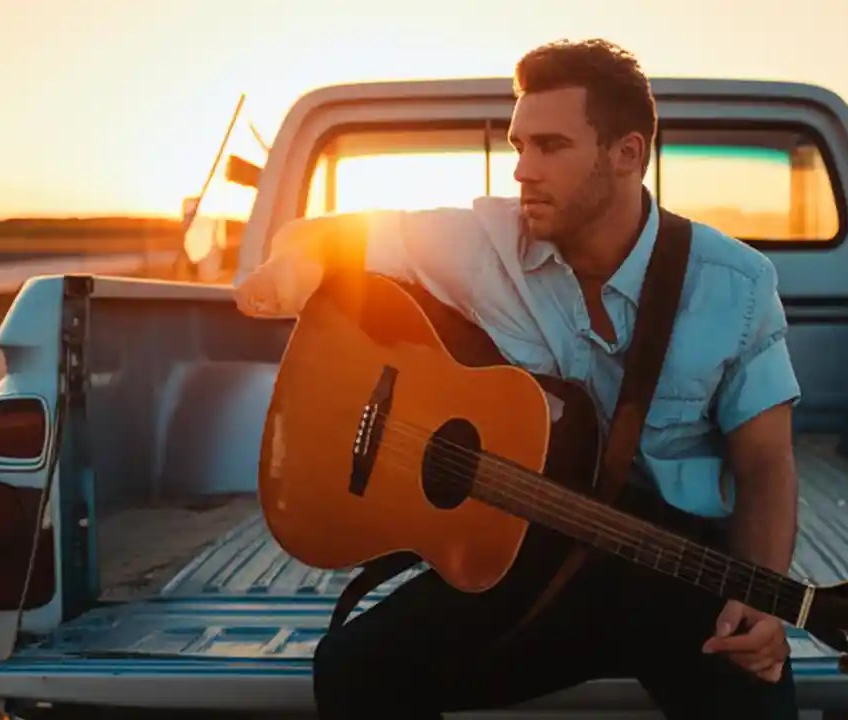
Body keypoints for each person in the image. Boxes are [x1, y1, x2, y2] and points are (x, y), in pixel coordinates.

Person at [235, 38, 802, 720]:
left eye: (551, 147)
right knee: (354, 670)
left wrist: (765, 596)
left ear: (627, 154)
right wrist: (291, 271)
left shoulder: (735, 286)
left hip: (679, 570)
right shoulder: (486, 242)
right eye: (519, 145)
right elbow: (322, 234)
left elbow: (767, 464)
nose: (524, 171)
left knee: (752, 698)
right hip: (532, 553)